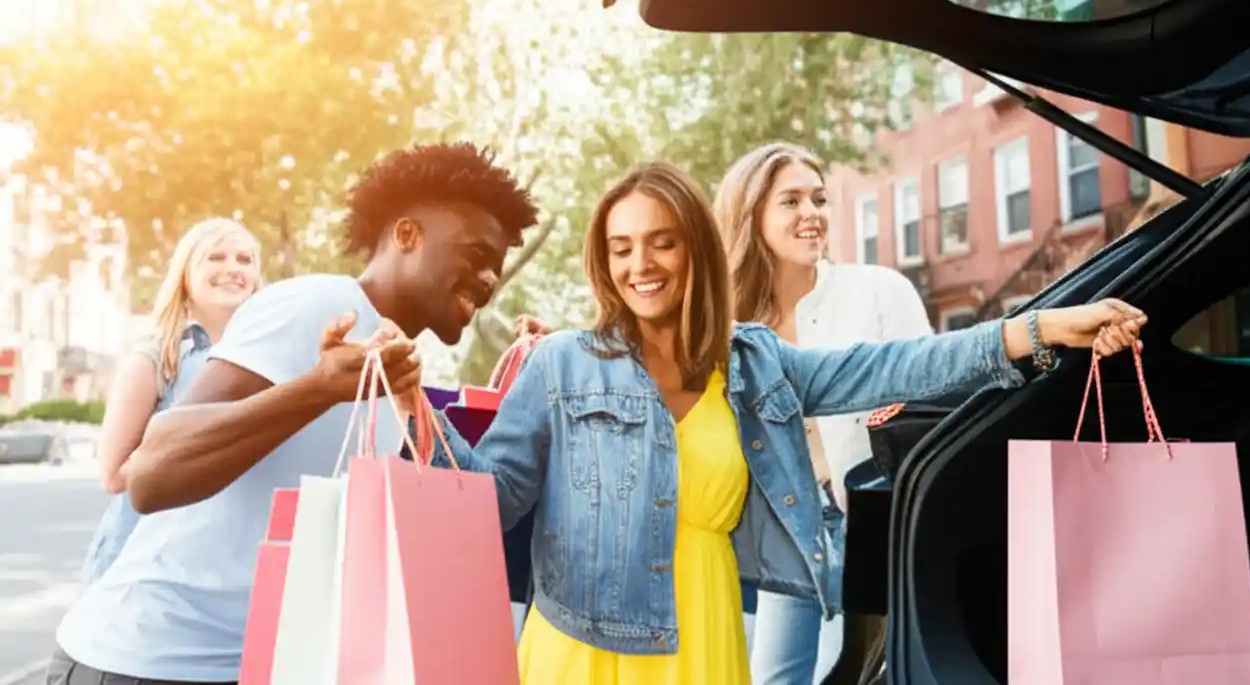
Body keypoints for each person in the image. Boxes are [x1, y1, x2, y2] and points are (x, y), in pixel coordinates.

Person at [427, 161, 1146, 685]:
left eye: (661, 242)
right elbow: (487, 501)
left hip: (705, 640)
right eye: (621, 248)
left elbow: (896, 367)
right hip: (579, 650)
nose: (640, 265)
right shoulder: (561, 365)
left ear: (697, 250)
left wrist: (1043, 328)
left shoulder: (752, 363)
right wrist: (410, 410)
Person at [48, 142, 538, 685]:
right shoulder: (318, 305)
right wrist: (317, 388)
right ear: (406, 235)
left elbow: (469, 498)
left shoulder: (384, 359)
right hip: (143, 661)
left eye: (497, 268)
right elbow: (150, 475)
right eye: (476, 255)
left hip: (256, 665)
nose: (491, 281)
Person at [713, 142, 931, 684]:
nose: (812, 214)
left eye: (819, 199)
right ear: (751, 216)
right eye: (791, 202)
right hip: (789, 529)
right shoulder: (728, 326)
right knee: (773, 678)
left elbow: (931, 395)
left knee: (866, 673)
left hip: (876, 525)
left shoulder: (879, 291)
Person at [83, 218, 262, 586]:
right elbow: (114, 475)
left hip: (232, 563)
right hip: (147, 566)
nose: (232, 268)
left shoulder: (268, 359)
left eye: (244, 259)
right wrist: (189, 455)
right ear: (185, 275)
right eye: (216, 257)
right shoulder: (153, 362)